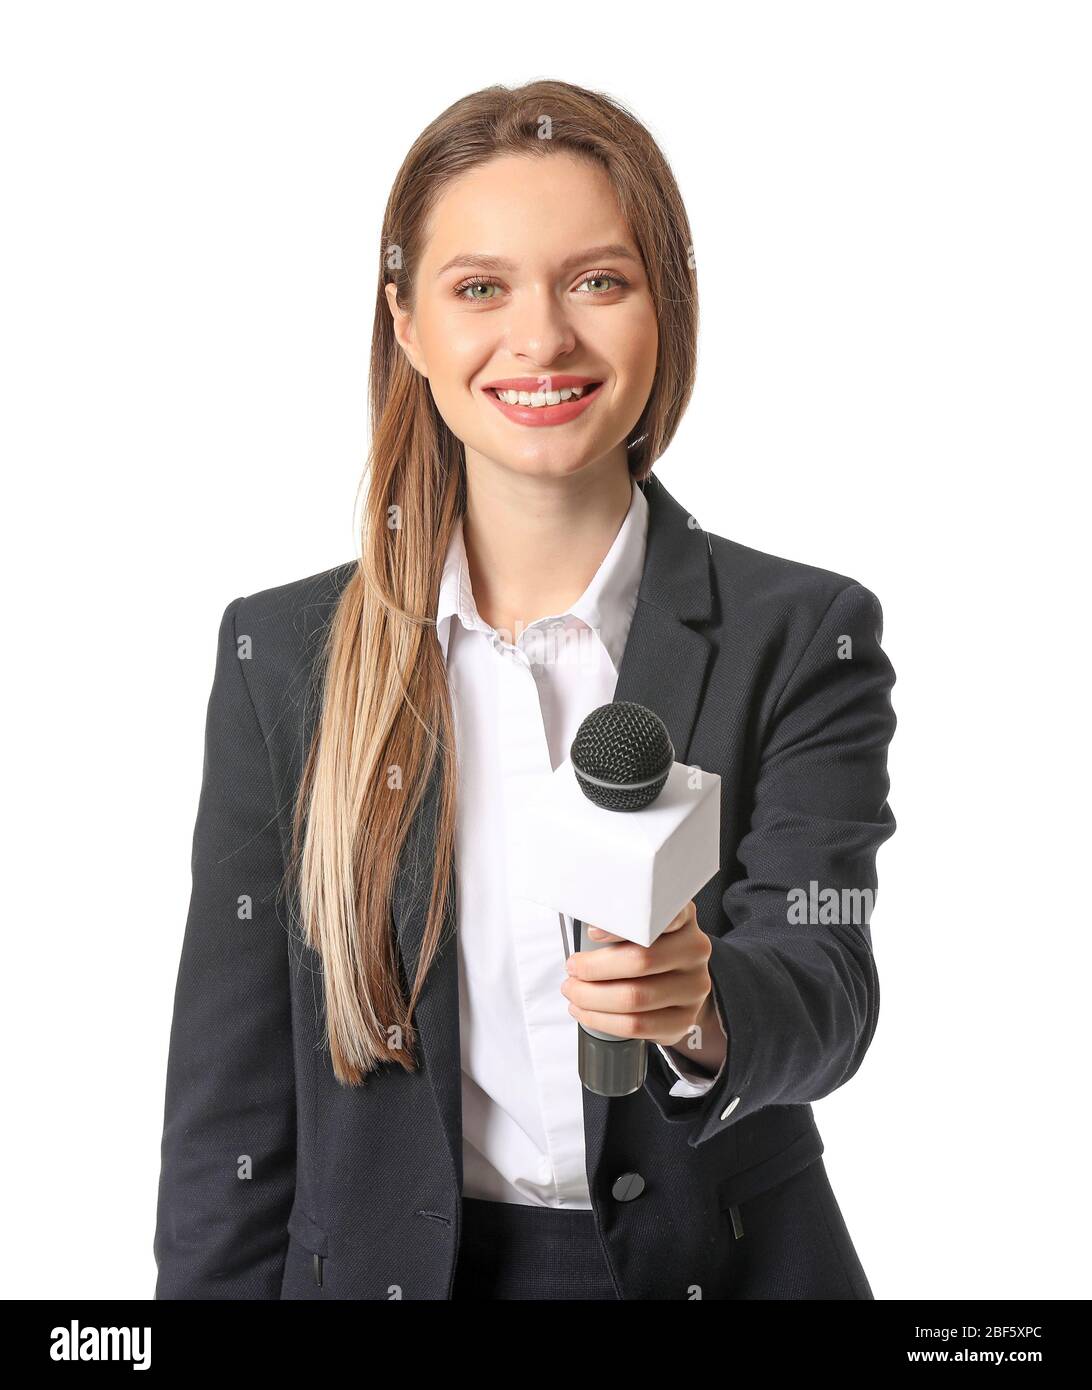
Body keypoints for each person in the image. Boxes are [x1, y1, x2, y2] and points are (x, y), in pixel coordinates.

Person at [154, 78, 896, 1301]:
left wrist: (703, 1010)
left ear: (668, 306)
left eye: (597, 281)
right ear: (407, 324)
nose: (541, 338)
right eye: (480, 287)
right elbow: (227, 1106)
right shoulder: (283, 657)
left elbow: (828, 977)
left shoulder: (805, 633)